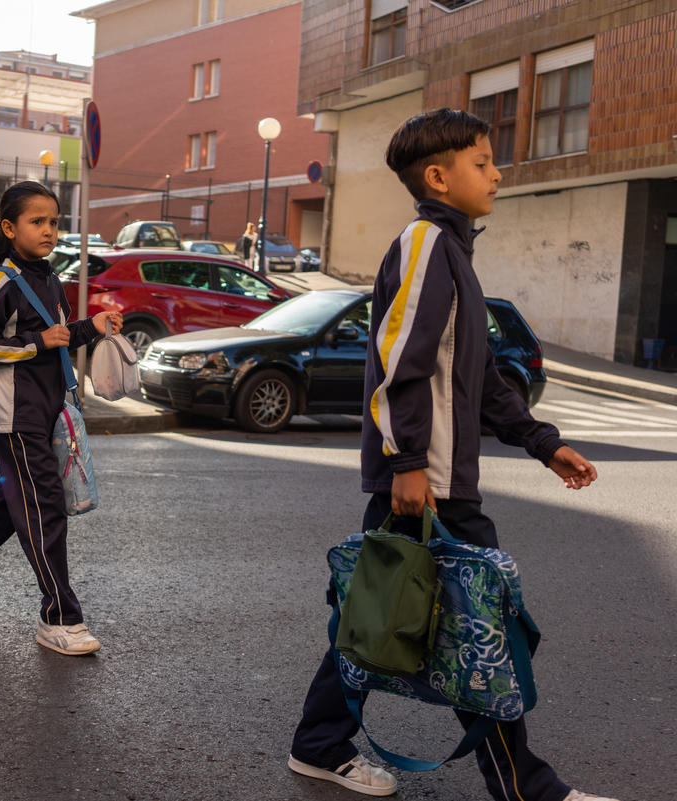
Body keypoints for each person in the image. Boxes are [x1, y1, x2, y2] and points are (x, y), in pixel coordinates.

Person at [286, 108, 618, 801]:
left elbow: (483, 376)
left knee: (384, 612)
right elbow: (398, 359)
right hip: (427, 480)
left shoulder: (454, 254)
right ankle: (526, 787)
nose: (498, 173)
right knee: (482, 625)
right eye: (483, 162)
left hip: (430, 478)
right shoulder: (426, 244)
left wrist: (542, 441)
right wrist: (407, 461)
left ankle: (319, 743)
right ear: (439, 176)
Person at [0, 181, 123, 656]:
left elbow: (54, 335)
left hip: (50, 407)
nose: (49, 230)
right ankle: (59, 616)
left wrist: (91, 328)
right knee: (44, 506)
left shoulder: (49, 277)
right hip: (15, 412)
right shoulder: (2, 279)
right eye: (37, 222)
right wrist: (39, 343)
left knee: (13, 494)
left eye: (54, 222)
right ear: (9, 227)